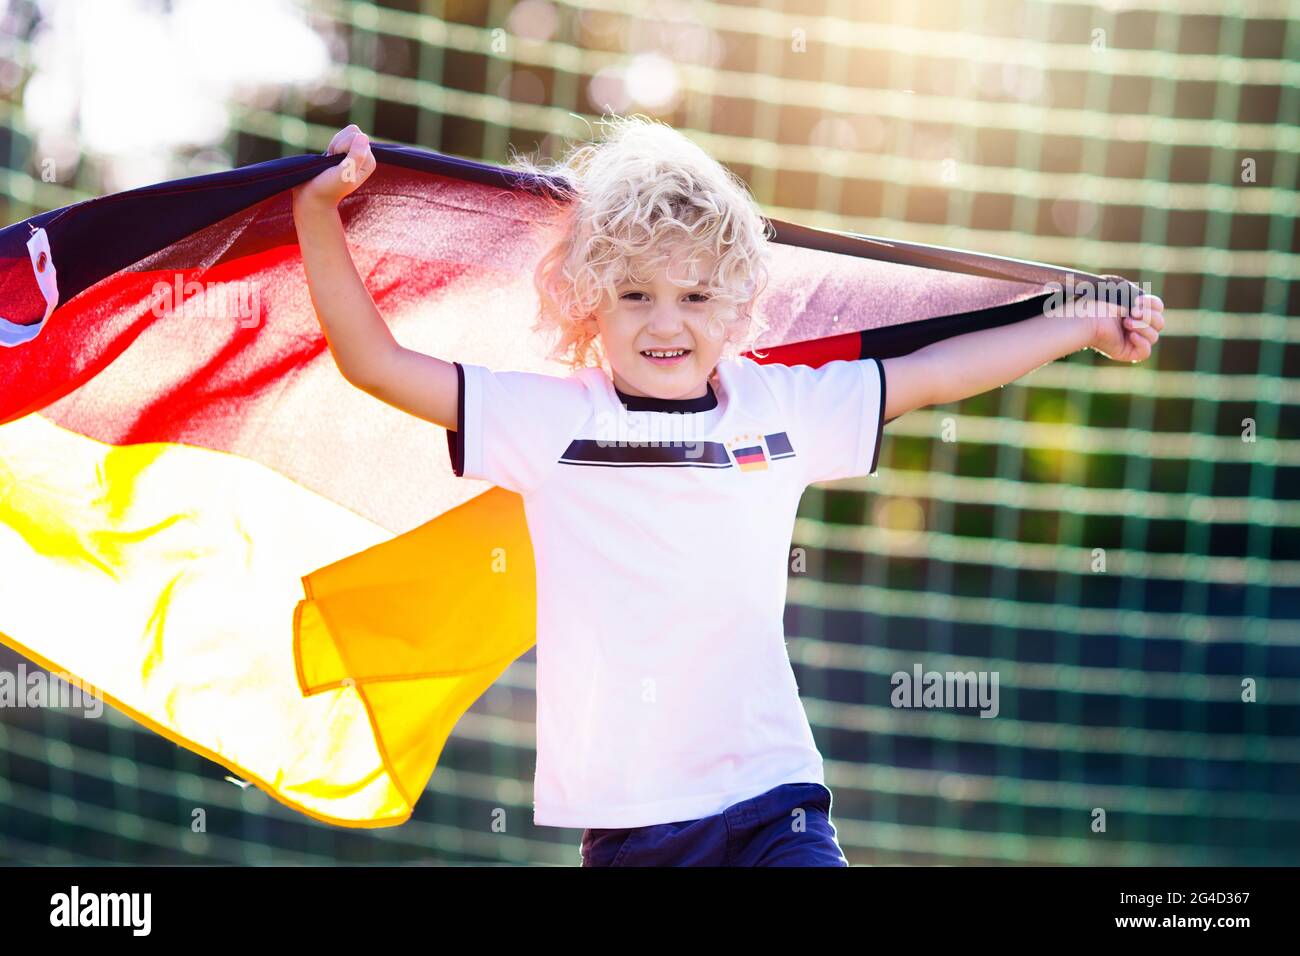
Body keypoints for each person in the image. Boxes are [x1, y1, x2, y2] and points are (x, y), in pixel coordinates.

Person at [291, 114, 1165, 866]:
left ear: (738, 305)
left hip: (772, 797)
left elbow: (931, 373)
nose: (665, 321)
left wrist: (1077, 323)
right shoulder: (548, 422)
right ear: (588, 302)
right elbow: (377, 364)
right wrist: (318, 213)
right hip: (634, 828)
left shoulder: (779, 409)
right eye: (634, 293)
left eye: (694, 294)